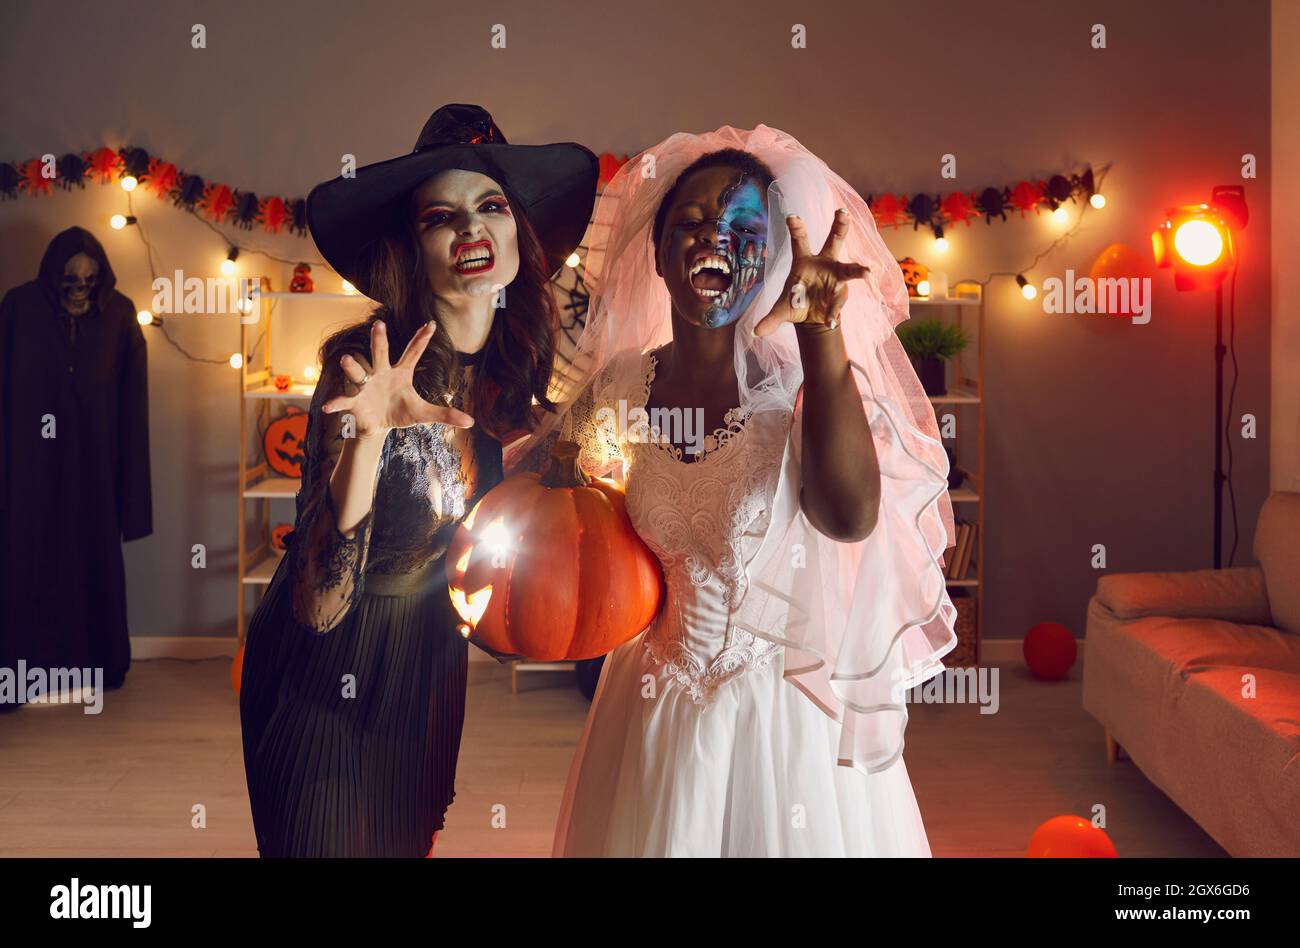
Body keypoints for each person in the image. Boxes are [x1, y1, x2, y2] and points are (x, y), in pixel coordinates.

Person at [507, 125, 957, 857]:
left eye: (745, 226)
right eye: (689, 222)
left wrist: (821, 332)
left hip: (784, 716)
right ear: (657, 253)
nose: (714, 236)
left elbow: (848, 517)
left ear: (773, 258)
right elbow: (545, 493)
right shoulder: (622, 386)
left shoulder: (802, 389)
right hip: (649, 701)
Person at [239, 104, 597, 857]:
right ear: (416, 246)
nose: (470, 230)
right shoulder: (361, 367)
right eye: (442, 217)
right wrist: (366, 440)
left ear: (516, 236)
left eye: (490, 207)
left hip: (426, 674)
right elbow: (318, 605)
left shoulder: (518, 378)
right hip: (321, 676)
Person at [0, 226, 152, 707]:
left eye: (89, 279)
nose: (80, 289)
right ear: (53, 278)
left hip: (95, 467)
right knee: (26, 561)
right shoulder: (19, 310)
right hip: (28, 469)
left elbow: (133, 407)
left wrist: (131, 501)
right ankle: (19, 674)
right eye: (71, 279)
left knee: (93, 560)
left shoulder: (121, 315)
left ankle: (97, 667)